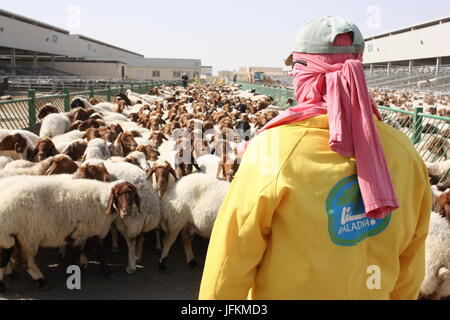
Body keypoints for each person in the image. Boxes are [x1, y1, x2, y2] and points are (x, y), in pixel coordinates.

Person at [199, 16, 432, 300]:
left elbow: (231, 259)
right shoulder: (405, 151)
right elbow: (411, 263)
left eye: (296, 67)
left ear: (305, 73)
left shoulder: (274, 150)